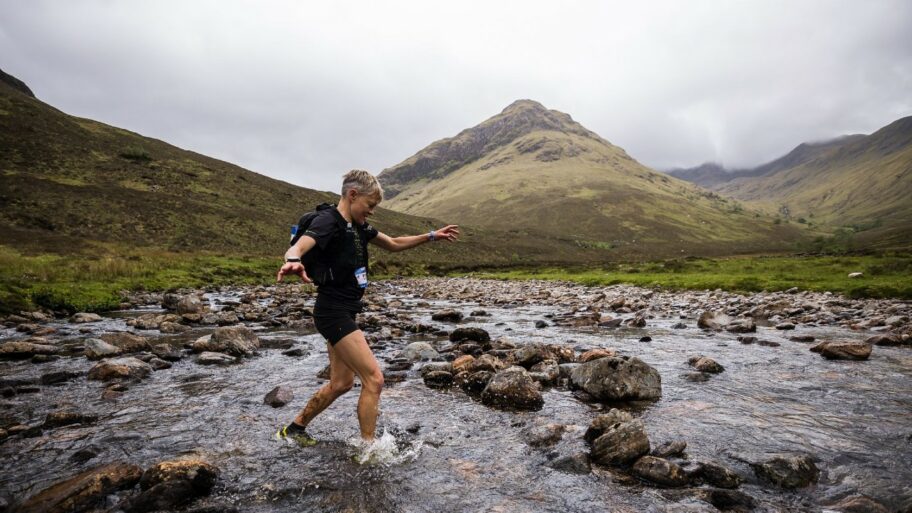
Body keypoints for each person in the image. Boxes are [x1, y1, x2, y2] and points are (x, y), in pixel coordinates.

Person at [275, 169, 459, 445]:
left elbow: (394, 244)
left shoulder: (358, 226)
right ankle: (368, 449)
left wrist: (431, 235)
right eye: (370, 205)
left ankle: (294, 429)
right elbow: (300, 245)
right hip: (332, 311)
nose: (371, 212)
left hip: (343, 311)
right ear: (352, 195)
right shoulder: (329, 221)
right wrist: (293, 259)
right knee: (374, 379)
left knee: (341, 384)